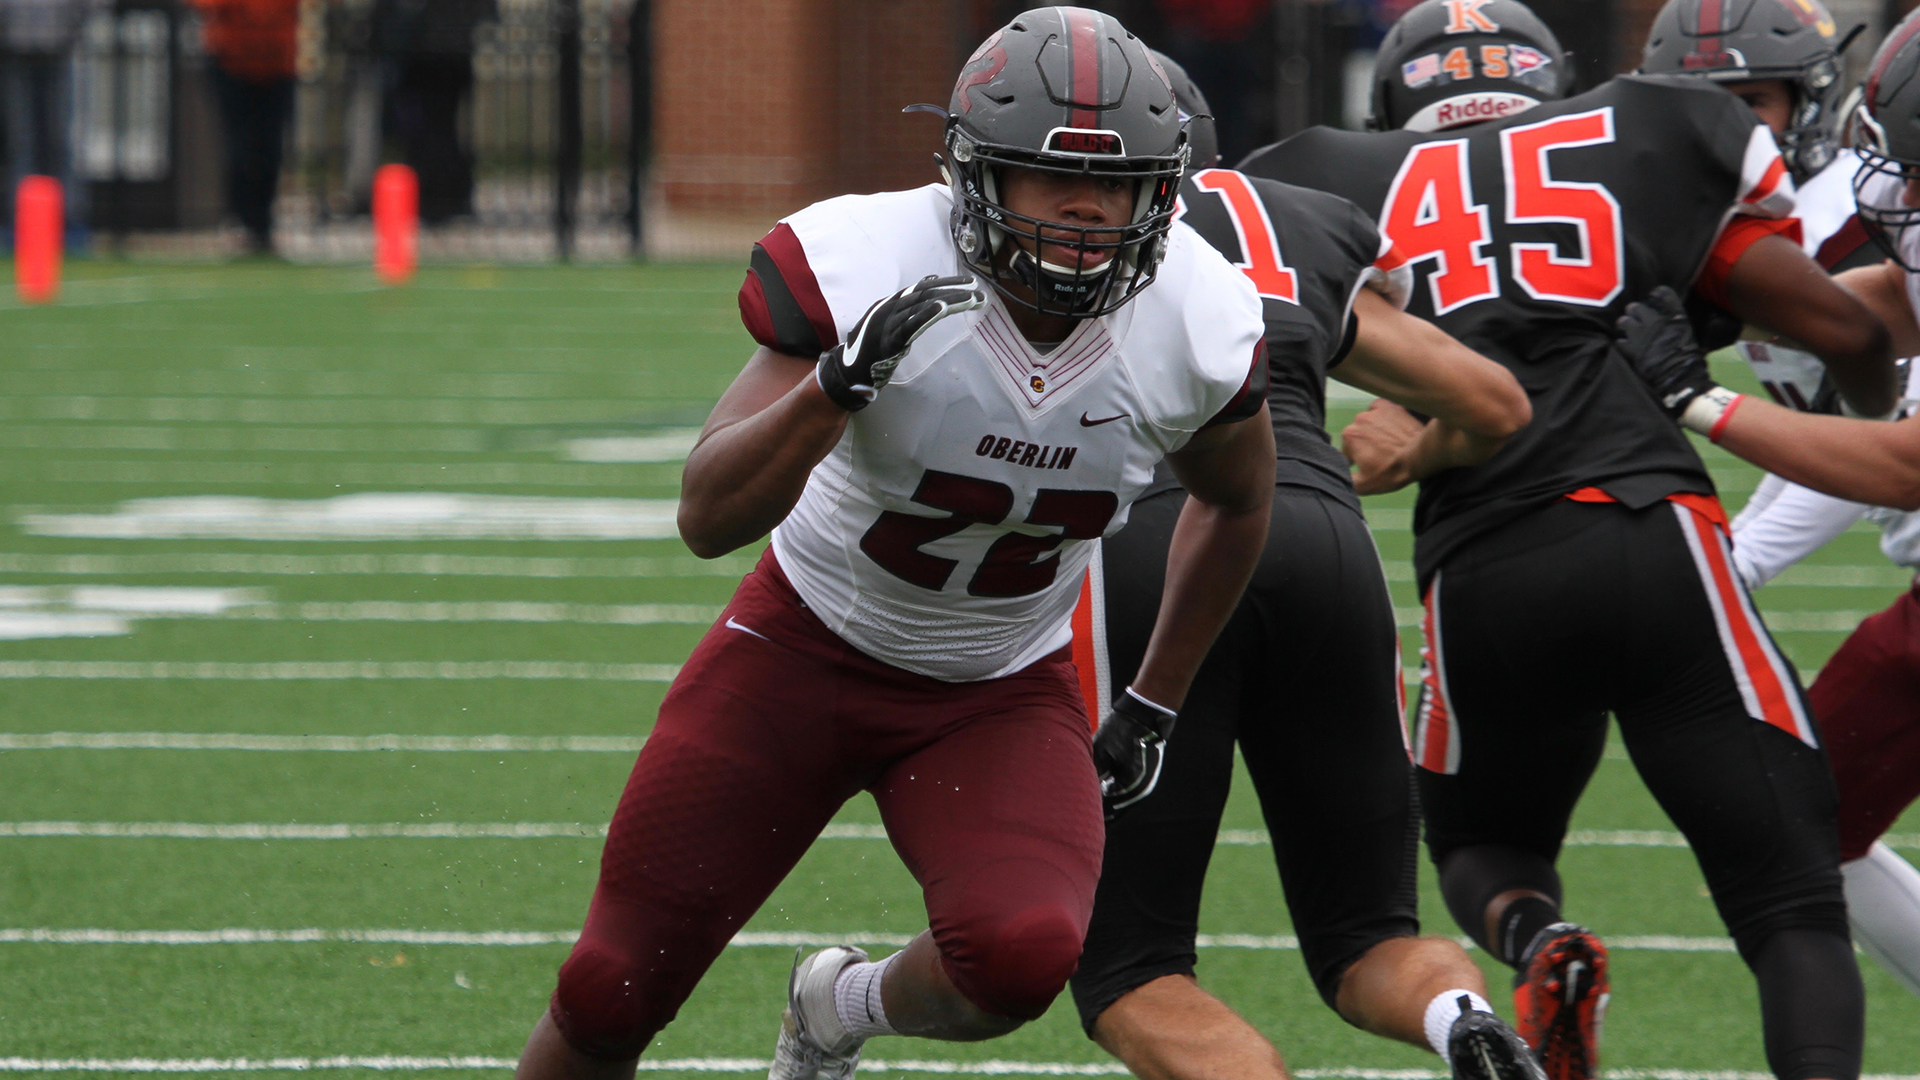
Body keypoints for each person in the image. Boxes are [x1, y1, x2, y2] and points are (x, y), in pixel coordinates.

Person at [511, 10, 1278, 1080]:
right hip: (799, 650)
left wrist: (1153, 698)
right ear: (974, 177)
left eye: (1123, 186)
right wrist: (834, 388)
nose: (1090, 213)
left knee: (1020, 958)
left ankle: (839, 1007)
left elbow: (1240, 502)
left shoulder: (1195, 318)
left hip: (996, 687)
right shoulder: (865, 260)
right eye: (1046, 179)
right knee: (609, 989)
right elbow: (705, 515)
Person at [1238, 1, 1894, 1078]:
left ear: (1396, 100)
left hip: (1481, 569)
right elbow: (1849, 331)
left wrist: (1407, 430)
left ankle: (1541, 941)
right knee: (1791, 903)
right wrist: (1864, 404)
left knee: (1480, 846)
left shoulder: (1321, 178)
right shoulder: (1641, 134)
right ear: (1552, 80)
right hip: (1651, 531)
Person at [1070, 52, 1544, 1080]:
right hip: (1324, 540)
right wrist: (1416, 453)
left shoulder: (1073, 216)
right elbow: (1496, 403)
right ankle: (1458, 1014)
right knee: (1368, 936)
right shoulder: (1294, 219)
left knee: (1129, 970)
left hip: (1158, 546)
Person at [1639, 0, 1920, 1001]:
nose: (1902, 185)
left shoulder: (1842, 204)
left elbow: (1902, 464)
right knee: (1809, 823)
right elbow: (1866, 314)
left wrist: (1699, 404)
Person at [192, 0, 300, 254]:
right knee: (238, 147)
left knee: (270, 148)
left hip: (277, 62)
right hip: (231, 60)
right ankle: (238, 220)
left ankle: (263, 226)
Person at [0, 0, 91, 243]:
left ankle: (69, 223)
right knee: (20, 143)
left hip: (61, 49)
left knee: (60, 141)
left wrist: (68, 27)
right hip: (12, 51)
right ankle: (19, 224)